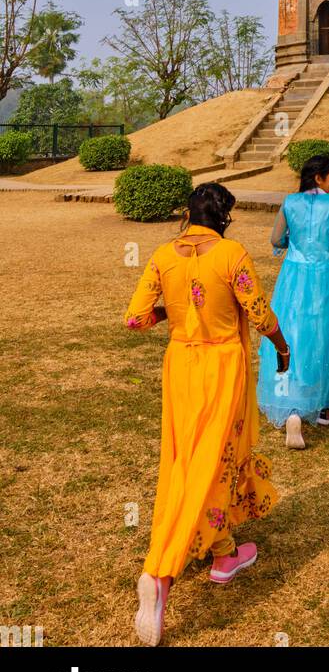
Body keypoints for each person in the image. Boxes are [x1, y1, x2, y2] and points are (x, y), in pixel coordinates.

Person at [125, 182, 287, 647]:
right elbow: (257, 310)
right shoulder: (231, 253)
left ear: (188, 215)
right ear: (224, 217)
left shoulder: (161, 255)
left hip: (180, 364)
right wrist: (281, 345)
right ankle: (161, 572)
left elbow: (134, 318)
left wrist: (166, 315)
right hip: (220, 364)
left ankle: (223, 552)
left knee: (185, 462)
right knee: (214, 460)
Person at [258, 153, 329, 451]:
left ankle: (291, 408)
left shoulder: (290, 202)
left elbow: (275, 239)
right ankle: (323, 405)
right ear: (319, 178)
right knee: (325, 335)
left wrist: (294, 243)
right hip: (328, 277)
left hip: (294, 276)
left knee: (292, 332)